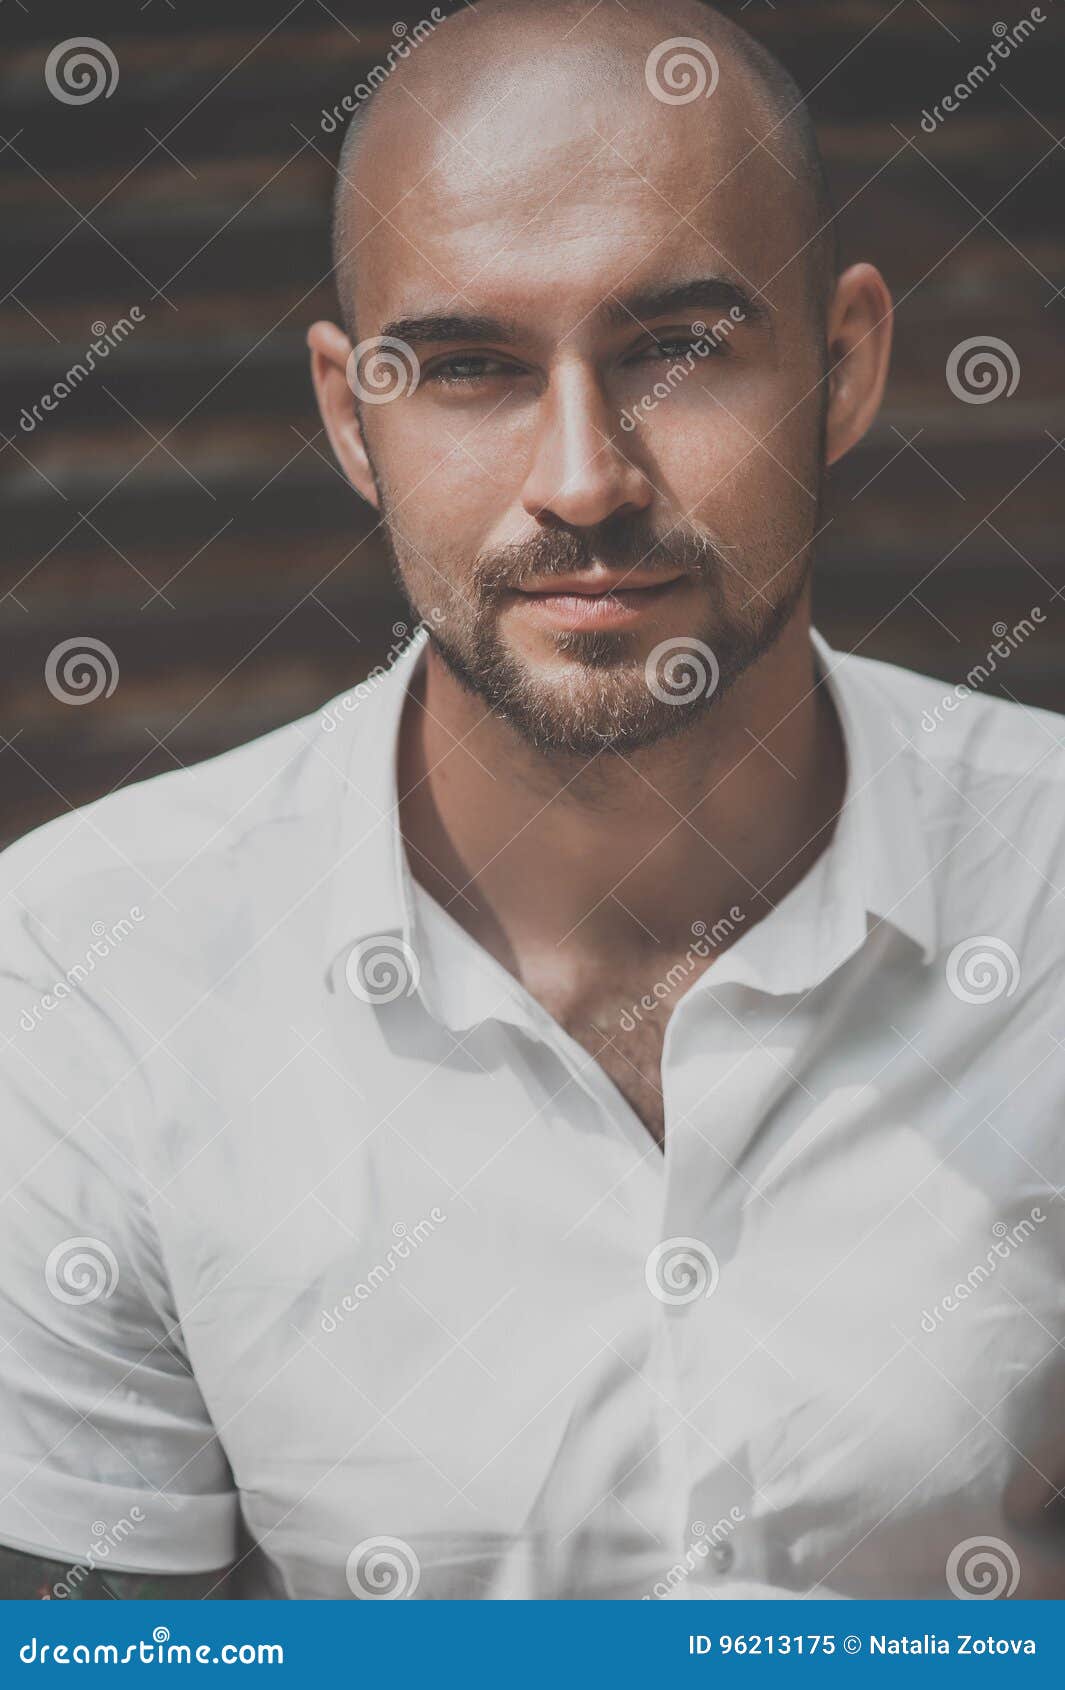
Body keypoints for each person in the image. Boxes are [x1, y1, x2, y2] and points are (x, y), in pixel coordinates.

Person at [1, 0, 1062, 1602]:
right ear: (352, 416)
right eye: (473, 368)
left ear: (844, 367)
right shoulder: (93, 976)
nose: (582, 476)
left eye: (677, 348)